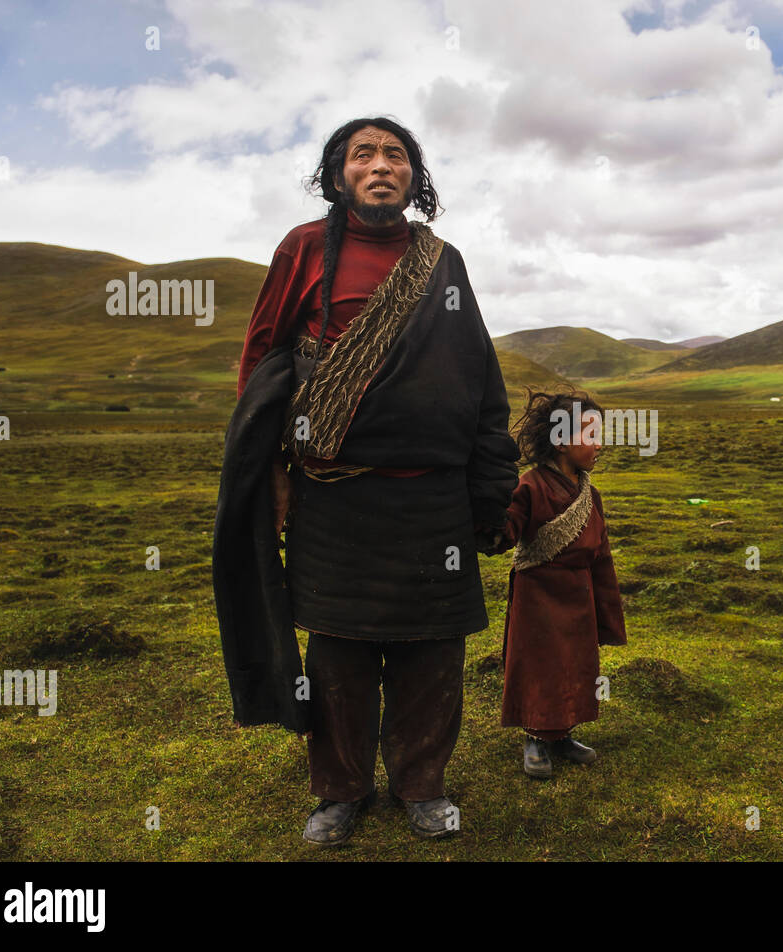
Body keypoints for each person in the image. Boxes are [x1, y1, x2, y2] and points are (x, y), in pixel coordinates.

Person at [217, 116, 519, 845]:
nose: (381, 164)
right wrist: (275, 471)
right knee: (339, 654)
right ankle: (340, 790)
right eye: (363, 154)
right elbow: (262, 362)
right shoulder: (303, 249)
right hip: (334, 493)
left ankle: (422, 785)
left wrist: (490, 487)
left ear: (415, 177)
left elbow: (479, 376)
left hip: (432, 497)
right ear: (338, 174)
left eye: (397, 154)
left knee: (434, 650)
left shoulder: (444, 262)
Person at [493, 389, 627, 777]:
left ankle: (563, 733)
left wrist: (606, 611)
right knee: (541, 665)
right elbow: (507, 530)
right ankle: (536, 736)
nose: (599, 445)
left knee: (576, 665)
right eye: (591, 436)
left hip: (581, 596)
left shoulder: (590, 494)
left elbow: (600, 556)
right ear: (562, 441)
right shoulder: (530, 486)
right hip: (539, 597)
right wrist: (492, 524)